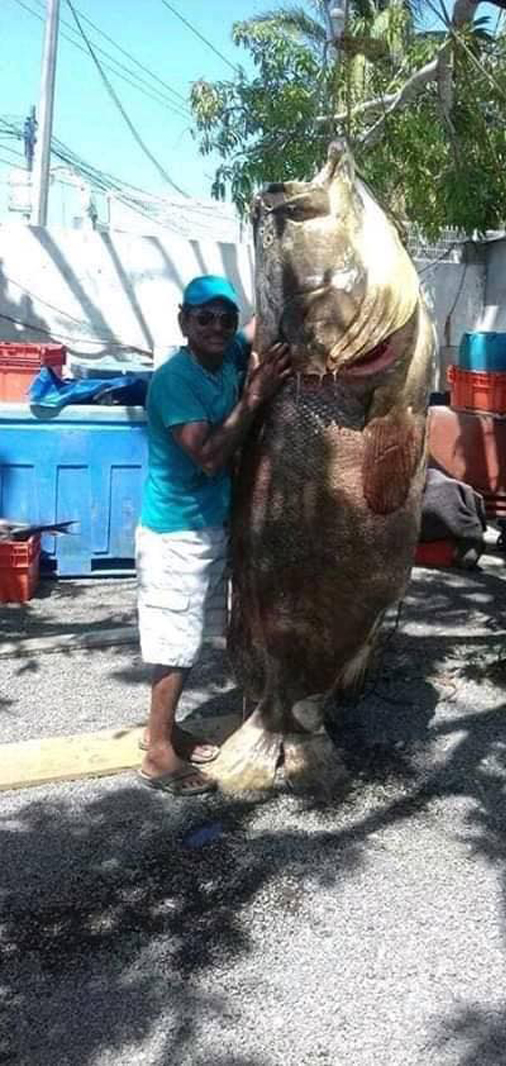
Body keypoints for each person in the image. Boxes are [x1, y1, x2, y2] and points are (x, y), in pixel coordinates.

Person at [136, 274, 291, 796]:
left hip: (210, 525)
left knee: (194, 636)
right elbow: (207, 456)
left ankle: (169, 729)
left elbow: (261, 322)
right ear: (184, 321)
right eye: (205, 317)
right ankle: (158, 754)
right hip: (175, 531)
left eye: (225, 318)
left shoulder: (227, 356)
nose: (218, 327)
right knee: (174, 642)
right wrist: (255, 396)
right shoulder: (175, 380)